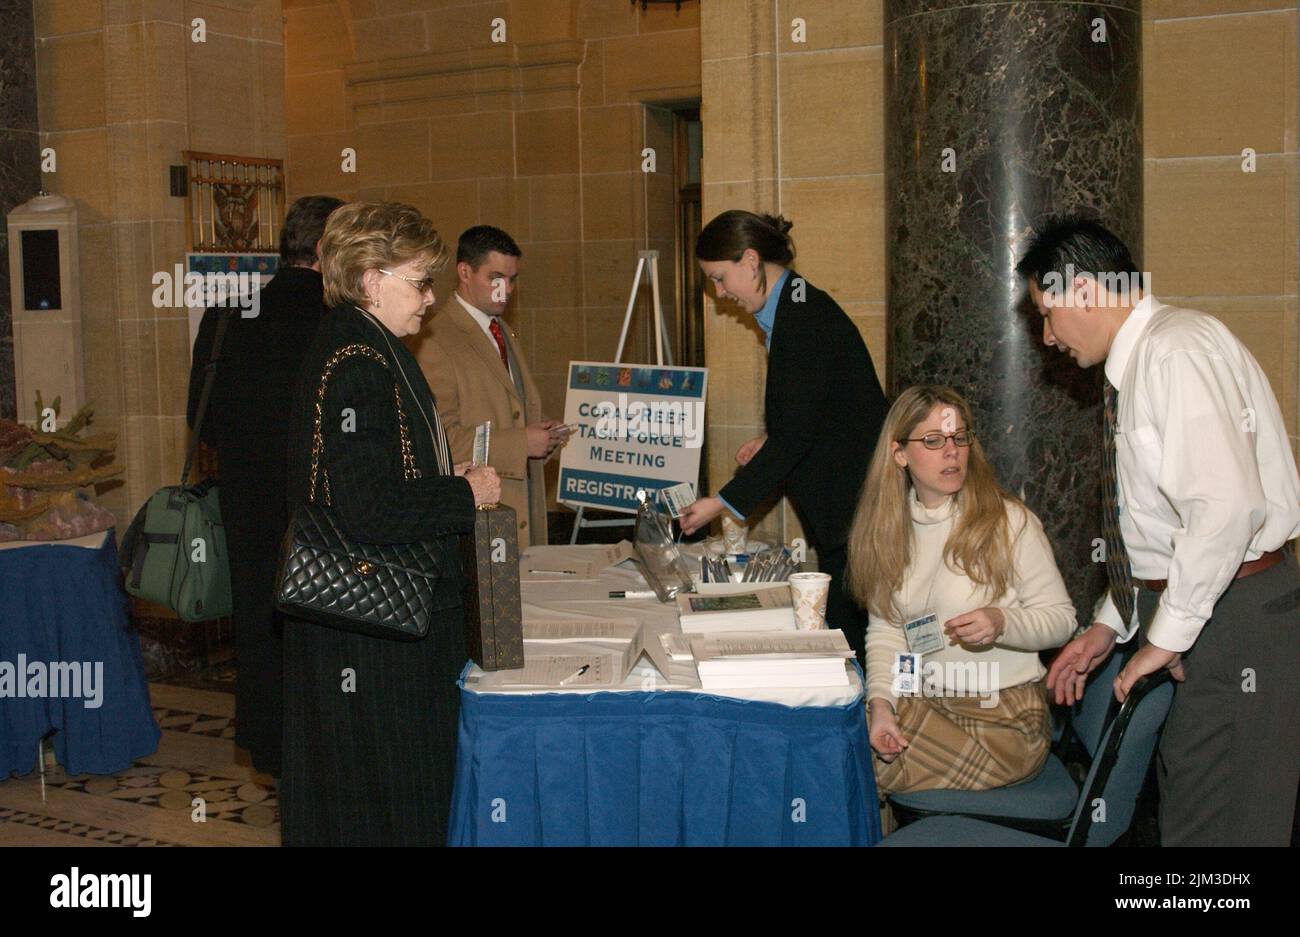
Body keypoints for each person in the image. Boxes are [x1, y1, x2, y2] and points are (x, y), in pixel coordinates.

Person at [1022, 215, 1300, 846]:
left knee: (1218, 827)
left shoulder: (1176, 350)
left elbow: (1225, 510)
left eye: (1047, 313)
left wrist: (1166, 636)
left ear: (1085, 292)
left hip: (1235, 617)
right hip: (1208, 605)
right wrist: (1113, 623)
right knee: (1198, 810)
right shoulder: (1148, 357)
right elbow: (1158, 532)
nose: (1046, 336)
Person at [280, 202, 501, 846]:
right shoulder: (359, 363)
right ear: (371, 278)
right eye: (420, 280)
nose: (431, 299)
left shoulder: (362, 343)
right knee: (394, 799)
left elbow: (378, 477)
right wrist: (464, 492)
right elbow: (370, 510)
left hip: (369, 621)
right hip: (375, 629)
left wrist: (439, 476)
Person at [679, 211, 888, 664]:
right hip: (844, 510)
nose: (720, 294)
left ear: (750, 260)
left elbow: (799, 435)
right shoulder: (794, 306)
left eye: (720, 278)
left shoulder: (803, 316)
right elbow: (812, 410)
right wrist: (770, 437)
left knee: (858, 646)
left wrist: (721, 502)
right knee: (847, 634)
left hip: (856, 510)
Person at [846, 386, 1076, 795]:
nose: (951, 452)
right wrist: (883, 704)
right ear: (899, 454)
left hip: (1005, 717)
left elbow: (1062, 620)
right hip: (929, 701)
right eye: (933, 441)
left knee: (851, 769)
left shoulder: (1009, 522)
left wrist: (1002, 621)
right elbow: (890, 635)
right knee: (848, 741)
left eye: (960, 437)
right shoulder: (890, 530)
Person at [186, 194, 343, 778]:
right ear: (328, 250)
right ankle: (322, 765)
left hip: (249, 512)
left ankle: (273, 753)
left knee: (260, 629)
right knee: (324, 637)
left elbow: (201, 422)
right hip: (327, 515)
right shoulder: (341, 323)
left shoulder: (228, 316)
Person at [406, 226, 566, 547]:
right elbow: (441, 440)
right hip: (482, 523)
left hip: (519, 516)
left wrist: (542, 437)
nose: (504, 290)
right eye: (495, 278)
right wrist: (522, 443)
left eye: (512, 279)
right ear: (464, 272)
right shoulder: (435, 341)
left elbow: (509, 410)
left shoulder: (502, 329)